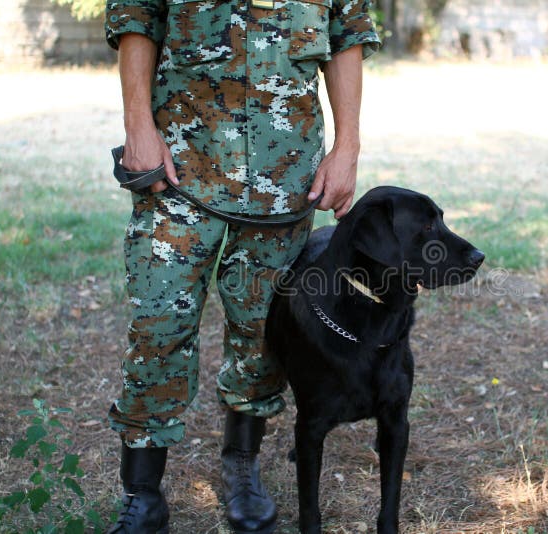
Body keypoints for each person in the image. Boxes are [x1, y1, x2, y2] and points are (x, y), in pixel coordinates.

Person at [103, 1, 380, 532]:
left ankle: (242, 467)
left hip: (285, 169)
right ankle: (143, 494)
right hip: (178, 164)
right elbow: (137, 16)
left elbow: (346, 34)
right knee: (159, 321)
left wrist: (347, 147)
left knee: (262, 330)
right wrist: (137, 126)